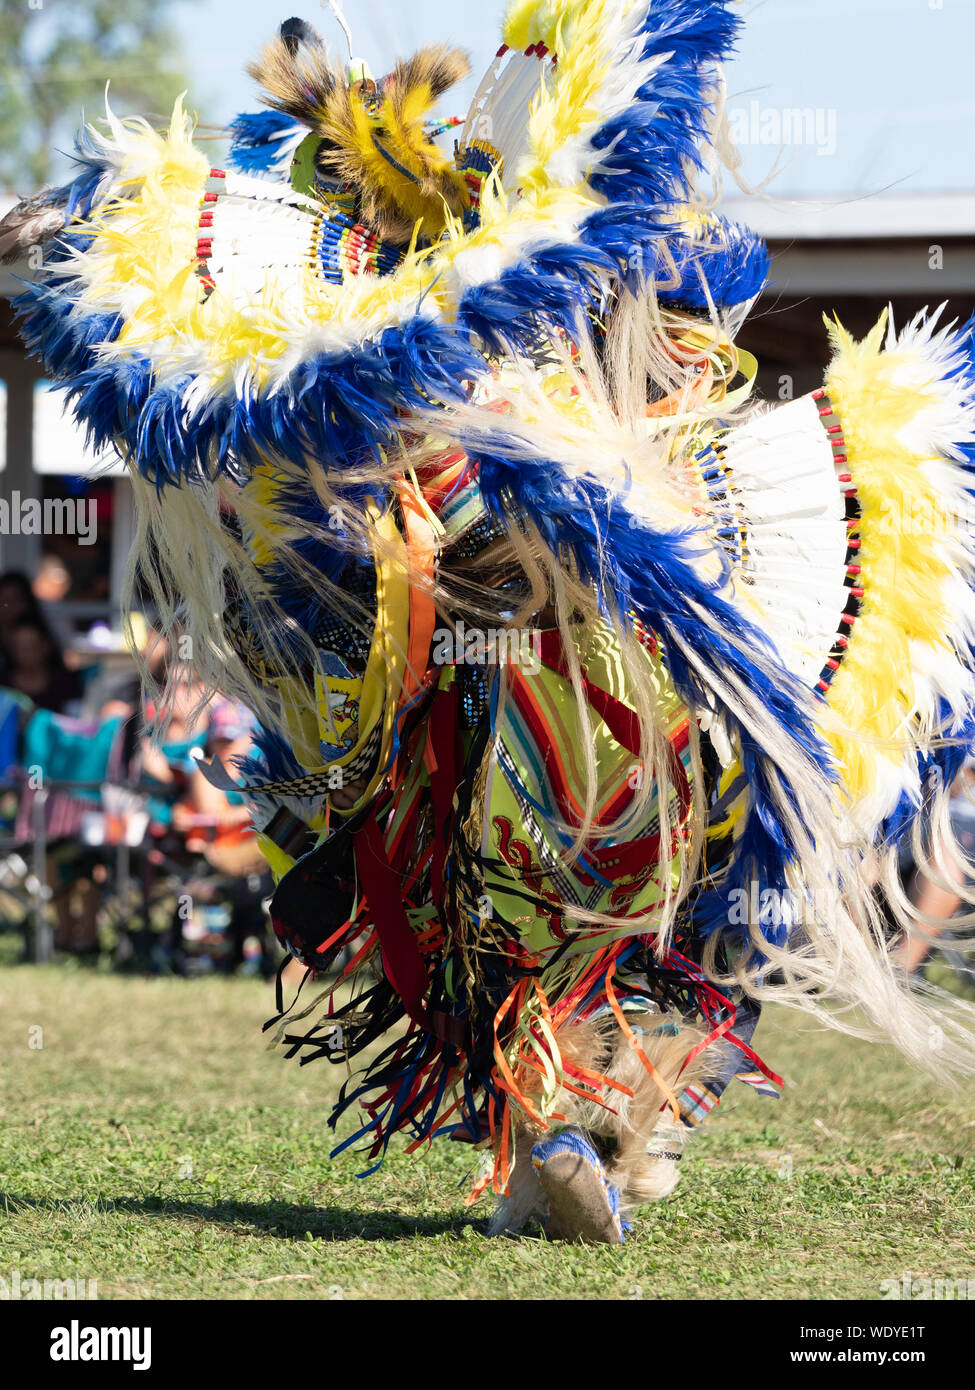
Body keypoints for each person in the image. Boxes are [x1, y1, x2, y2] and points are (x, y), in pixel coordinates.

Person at [6, 0, 975, 1244]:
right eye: (674, 336)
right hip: (474, 727)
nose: (689, 358)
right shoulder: (460, 375)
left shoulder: (655, 448)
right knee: (476, 930)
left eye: (696, 343)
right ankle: (559, 1132)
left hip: (627, 734)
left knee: (654, 944)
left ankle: (593, 1129)